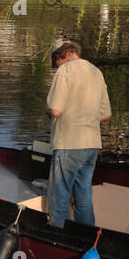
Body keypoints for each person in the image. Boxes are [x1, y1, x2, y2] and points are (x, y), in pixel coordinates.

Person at [44, 37, 111, 228]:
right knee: (83, 195)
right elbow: (105, 114)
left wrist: (47, 108)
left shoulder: (65, 70)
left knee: (59, 195)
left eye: (55, 61)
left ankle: (59, 237)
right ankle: (86, 237)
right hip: (91, 144)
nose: (56, 66)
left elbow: (56, 110)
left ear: (60, 56)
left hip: (69, 143)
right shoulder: (96, 71)